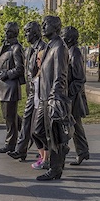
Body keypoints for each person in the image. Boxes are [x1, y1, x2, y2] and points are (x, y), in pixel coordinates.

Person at [36, 15, 71, 181]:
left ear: (56, 27)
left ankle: (55, 168)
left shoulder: (60, 47)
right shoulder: (50, 46)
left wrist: (54, 97)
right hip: (44, 97)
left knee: (53, 136)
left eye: (46, 24)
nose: (43, 26)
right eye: (42, 23)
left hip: (52, 98)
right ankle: (61, 150)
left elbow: (61, 75)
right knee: (38, 131)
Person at [9, 21, 45, 163]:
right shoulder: (30, 49)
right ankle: (21, 150)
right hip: (32, 90)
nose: (25, 35)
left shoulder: (43, 48)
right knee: (27, 119)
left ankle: (46, 150)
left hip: (40, 91)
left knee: (37, 123)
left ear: (35, 32)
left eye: (27, 32)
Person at [0, 22, 25, 154]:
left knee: (10, 117)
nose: (6, 33)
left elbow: (20, 69)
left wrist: (7, 74)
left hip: (10, 88)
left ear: (15, 33)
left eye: (9, 31)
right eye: (5, 31)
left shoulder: (17, 48)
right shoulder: (6, 46)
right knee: (9, 116)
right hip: (3, 87)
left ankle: (10, 144)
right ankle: (29, 133)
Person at [64, 27, 90, 166]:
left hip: (74, 98)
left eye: (63, 35)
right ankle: (82, 151)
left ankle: (77, 151)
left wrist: (68, 93)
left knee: (72, 125)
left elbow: (80, 79)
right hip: (71, 97)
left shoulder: (75, 53)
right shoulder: (69, 51)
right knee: (75, 126)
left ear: (69, 38)